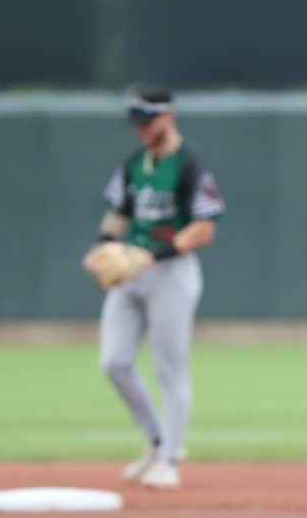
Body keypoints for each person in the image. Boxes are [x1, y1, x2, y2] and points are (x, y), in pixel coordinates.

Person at [93, 84, 225, 490]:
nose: (140, 128)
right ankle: (156, 440)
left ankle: (170, 458)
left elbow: (204, 228)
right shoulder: (135, 163)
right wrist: (103, 246)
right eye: (137, 120)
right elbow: (118, 214)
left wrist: (156, 254)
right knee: (114, 362)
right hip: (132, 272)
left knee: (170, 367)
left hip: (172, 275)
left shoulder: (190, 167)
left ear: (168, 117)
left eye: (147, 120)